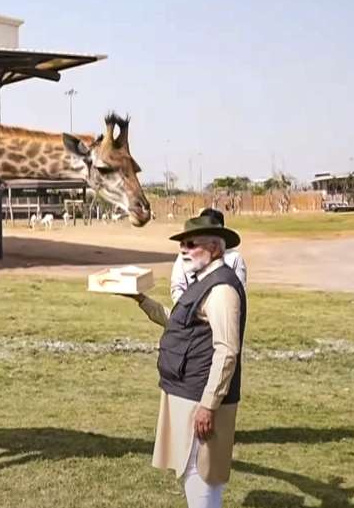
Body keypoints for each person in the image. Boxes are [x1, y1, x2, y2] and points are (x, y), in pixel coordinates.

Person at [123, 214, 247, 508]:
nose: (184, 250)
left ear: (215, 249)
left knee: (200, 473)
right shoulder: (202, 281)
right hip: (187, 392)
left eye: (191, 244)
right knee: (196, 474)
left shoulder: (221, 290)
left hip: (198, 397)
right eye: (182, 244)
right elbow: (176, 321)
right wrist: (140, 299)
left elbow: (227, 350)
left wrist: (208, 404)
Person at [170, 208, 246, 303]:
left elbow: (240, 292)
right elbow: (177, 287)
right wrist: (188, 312)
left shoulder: (234, 258)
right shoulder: (185, 255)